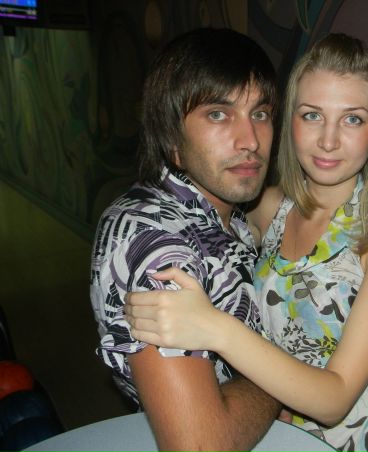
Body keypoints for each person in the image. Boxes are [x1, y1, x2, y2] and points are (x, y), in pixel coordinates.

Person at [125, 33, 368, 452]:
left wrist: (213, 327)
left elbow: (334, 399)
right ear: (289, 122)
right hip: (281, 434)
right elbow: (199, 209)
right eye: (312, 116)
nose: (328, 140)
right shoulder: (269, 208)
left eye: (352, 119)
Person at [89, 28, 282, 452]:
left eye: (260, 113)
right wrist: (286, 371)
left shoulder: (227, 211)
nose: (250, 141)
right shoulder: (156, 243)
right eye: (218, 114)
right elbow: (200, 445)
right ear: (171, 137)